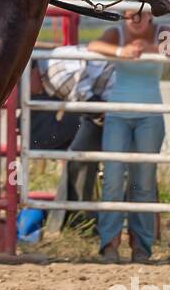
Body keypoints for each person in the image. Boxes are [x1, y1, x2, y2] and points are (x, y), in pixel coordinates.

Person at [88, 8, 170, 262]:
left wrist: (148, 50)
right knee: (112, 179)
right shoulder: (116, 33)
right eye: (131, 13)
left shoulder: (162, 33)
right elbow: (93, 46)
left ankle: (142, 245)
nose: (136, 18)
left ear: (151, 14)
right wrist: (122, 52)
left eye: (142, 13)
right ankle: (109, 242)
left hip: (150, 114)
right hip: (118, 112)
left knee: (143, 182)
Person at [37, 48, 113, 235]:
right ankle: (75, 221)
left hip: (111, 99)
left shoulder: (54, 74)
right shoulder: (54, 59)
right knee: (82, 156)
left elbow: (85, 98)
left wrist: (106, 117)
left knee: (80, 158)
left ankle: (74, 221)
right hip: (110, 96)